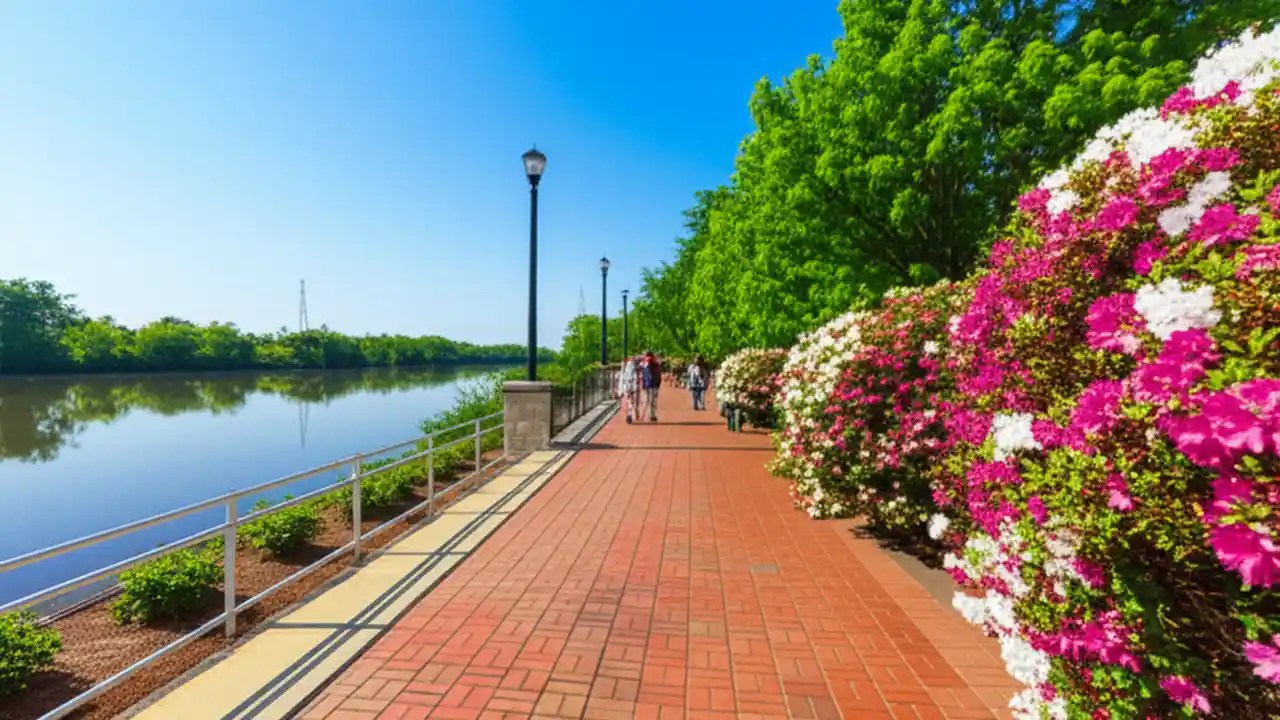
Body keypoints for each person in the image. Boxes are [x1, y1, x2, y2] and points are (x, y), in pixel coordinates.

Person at [640, 350, 662, 422]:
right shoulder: (644, 364)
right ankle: (650, 414)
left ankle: (651, 415)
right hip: (650, 384)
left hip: (651, 384)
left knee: (651, 400)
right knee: (650, 400)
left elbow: (658, 374)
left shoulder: (653, 364)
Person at [617, 355, 639, 423]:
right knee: (630, 401)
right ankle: (630, 414)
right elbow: (634, 377)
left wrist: (620, 390)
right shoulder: (631, 366)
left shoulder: (626, 367)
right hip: (630, 387)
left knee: (628, 401)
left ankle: (629, 415)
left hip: (626, 387)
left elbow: (621, 379)